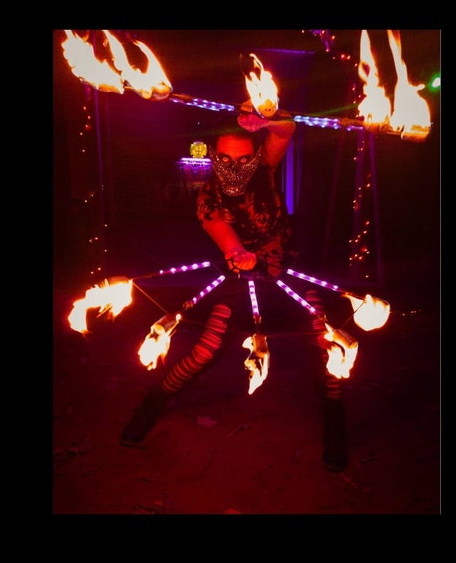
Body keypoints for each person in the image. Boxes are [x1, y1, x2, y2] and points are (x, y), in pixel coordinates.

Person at [120, 103, 348, 471]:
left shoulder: (264, 171)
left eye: (243, 160)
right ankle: (152, 403)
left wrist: (266, 118)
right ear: (213, 155)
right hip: (242, 278)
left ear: (256, 157)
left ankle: (335, 418)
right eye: (225, 159)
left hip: (285, 272)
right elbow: (226, 238)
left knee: (327, 342)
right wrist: (239, 254)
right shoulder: (208, 200)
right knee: (206, 348)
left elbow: (286, 129)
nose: (234, 168)